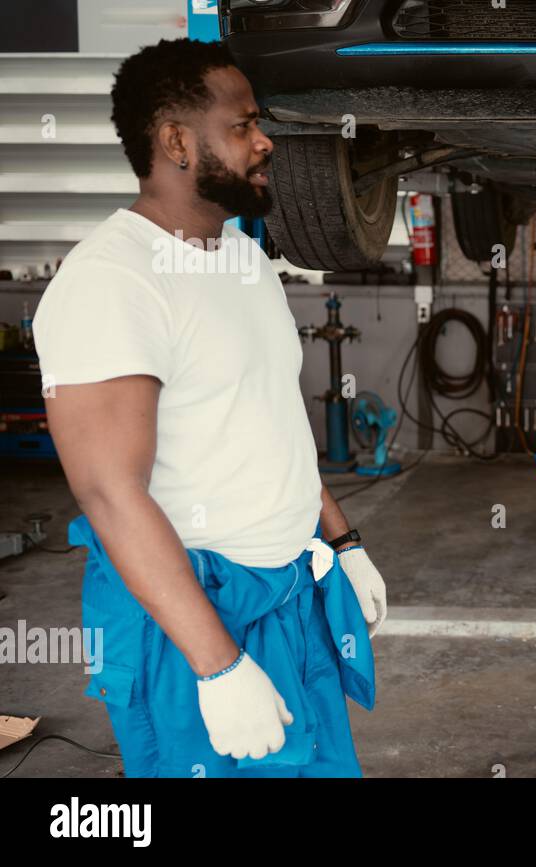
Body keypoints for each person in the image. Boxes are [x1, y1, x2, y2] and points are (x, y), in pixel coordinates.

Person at [33, 39, 387, 777]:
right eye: (243, 125)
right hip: (189, 618)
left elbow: (270, 420)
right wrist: (219, 664)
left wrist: (343, 543)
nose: (265, 143)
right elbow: (108, 492)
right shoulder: (113, 281)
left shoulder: (242, 259)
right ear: (175, 141)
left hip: (291, 596)